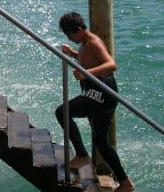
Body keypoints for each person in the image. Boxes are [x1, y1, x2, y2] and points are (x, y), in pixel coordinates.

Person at [54, 11, 134, 192]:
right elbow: (89, 60)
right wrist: (73, 54)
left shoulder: (93, 42)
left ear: (79, 30)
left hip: (101, 94)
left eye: (70, 35)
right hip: (100, 95)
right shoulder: (84, 43)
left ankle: (82, 155)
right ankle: (125, 183)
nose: (69, 38)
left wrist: (85, 73)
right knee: (101, 143)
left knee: (62, 112)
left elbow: (111, 64)